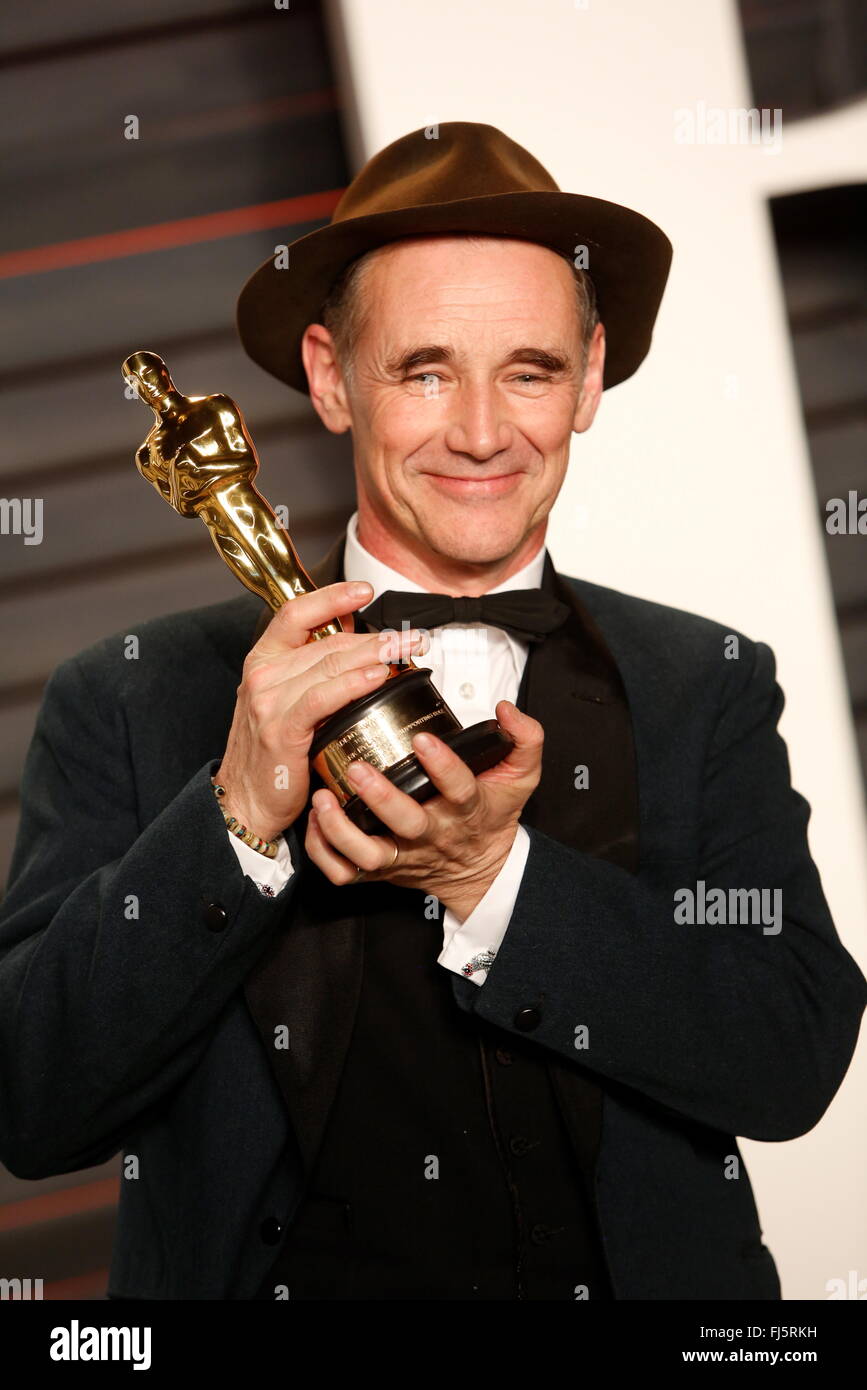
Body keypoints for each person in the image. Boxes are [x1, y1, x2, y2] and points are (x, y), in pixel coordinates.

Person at [0, 122, 864, 1301]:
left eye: (531, 369)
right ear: (327, 375)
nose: (480, 432)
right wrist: (238, 818)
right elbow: (33, 1105)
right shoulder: (132, 692)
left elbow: (790, 1059)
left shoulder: (702, 681)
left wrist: (492, 880)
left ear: (592, 376)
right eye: (424, 369)